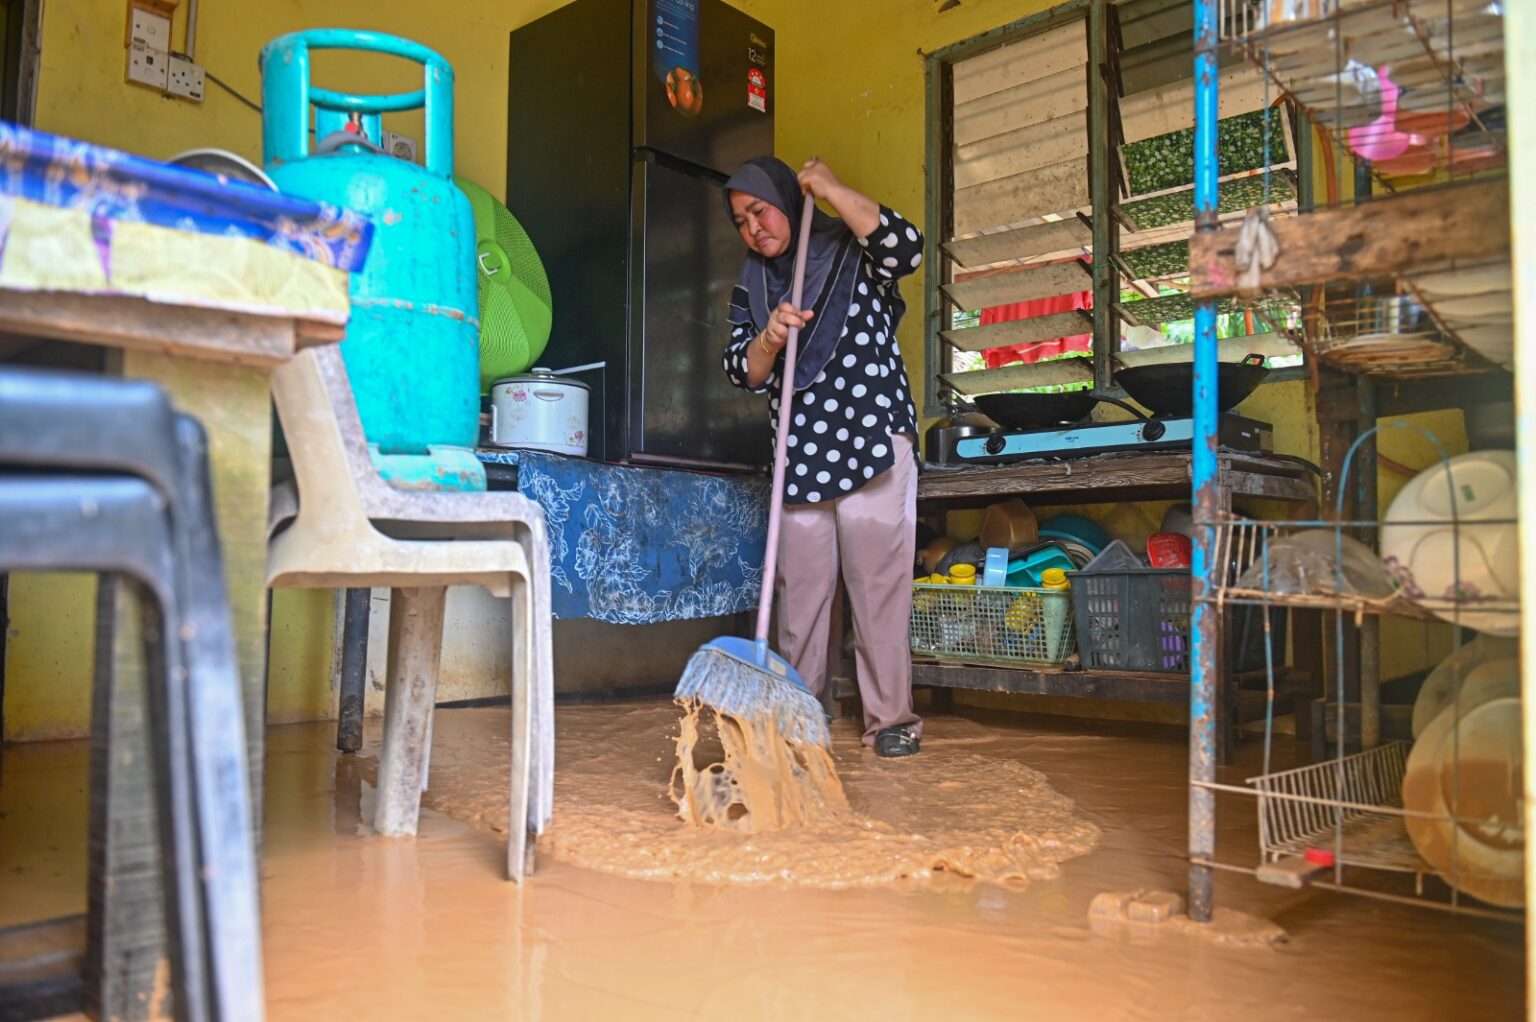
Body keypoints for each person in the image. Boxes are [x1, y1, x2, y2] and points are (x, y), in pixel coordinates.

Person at [721, 155, 924, 758]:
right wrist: (770, 337)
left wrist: (835, 189)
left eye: (759, 210)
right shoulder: (754, 281)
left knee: (877, 593)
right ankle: (799, 721)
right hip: (799, 455)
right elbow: (743, 370)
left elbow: (906, 249)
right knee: (801, 600)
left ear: (787, 199)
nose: (754, 228)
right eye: (740, 221)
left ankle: (891, 723)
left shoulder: (851, 246)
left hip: (870, 442)